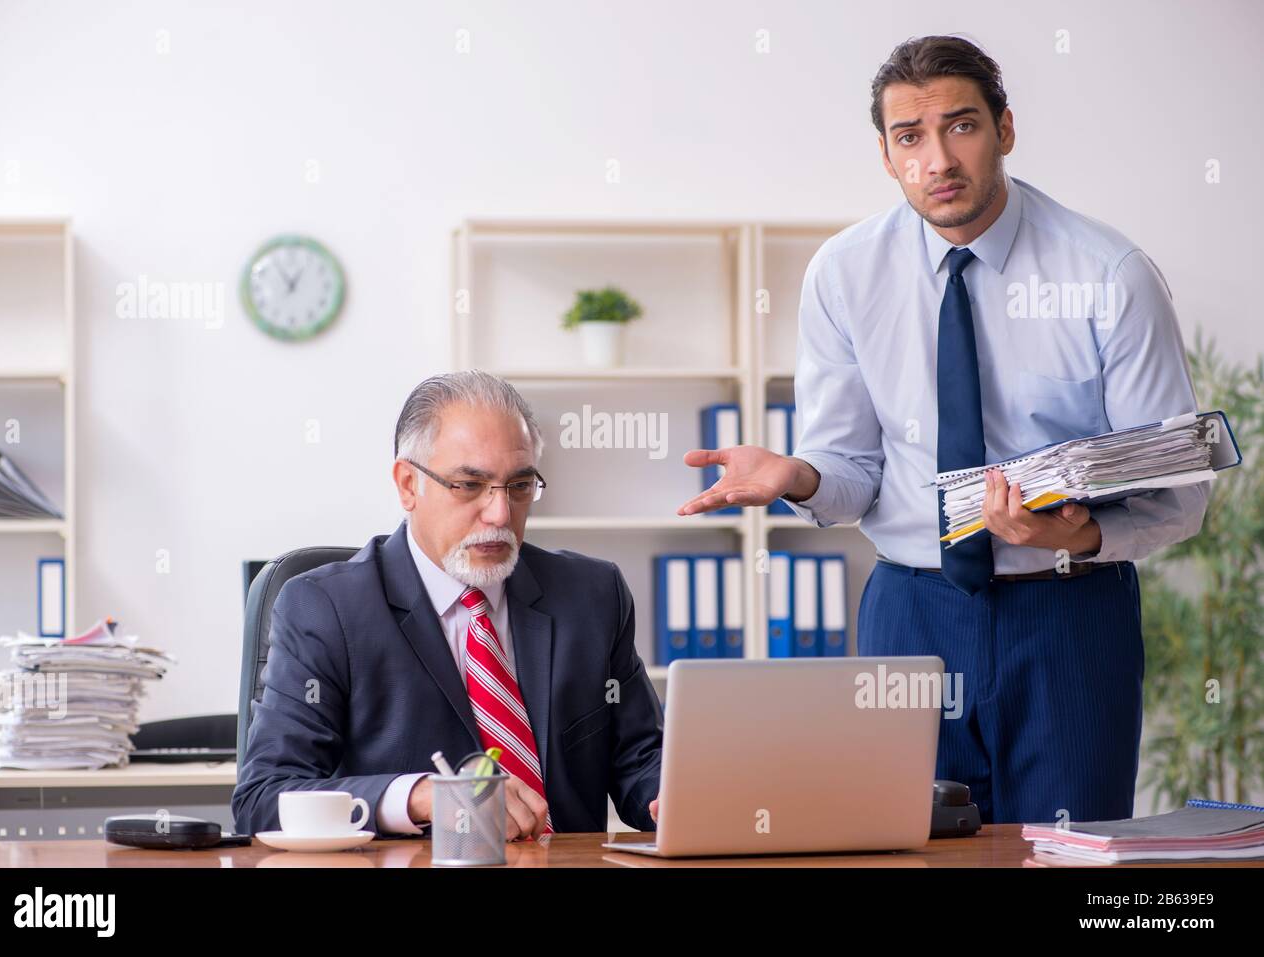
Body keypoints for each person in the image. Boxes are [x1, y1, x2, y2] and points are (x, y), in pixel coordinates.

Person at [679, 36, 1207, 824]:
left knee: (1068, 853)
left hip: (1068, 615)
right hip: (910, 610)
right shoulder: (845, 273)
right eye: (910, 137)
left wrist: (1076, 534)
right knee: (902, 843)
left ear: (1006, 128)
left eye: (961, 126)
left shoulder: (1108, 275)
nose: (938, 159)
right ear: (888, 156)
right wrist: (801, 476)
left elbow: (1179, 494)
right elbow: (852, 464)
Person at [235, 371, 663, 838]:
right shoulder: (324, 608)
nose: (500, 514)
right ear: (407, 484)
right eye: (469, 485)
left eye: (519, 487)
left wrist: (677, 797)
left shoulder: (592, 593)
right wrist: (422, 796)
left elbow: (641, 759)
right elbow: (266, 799)